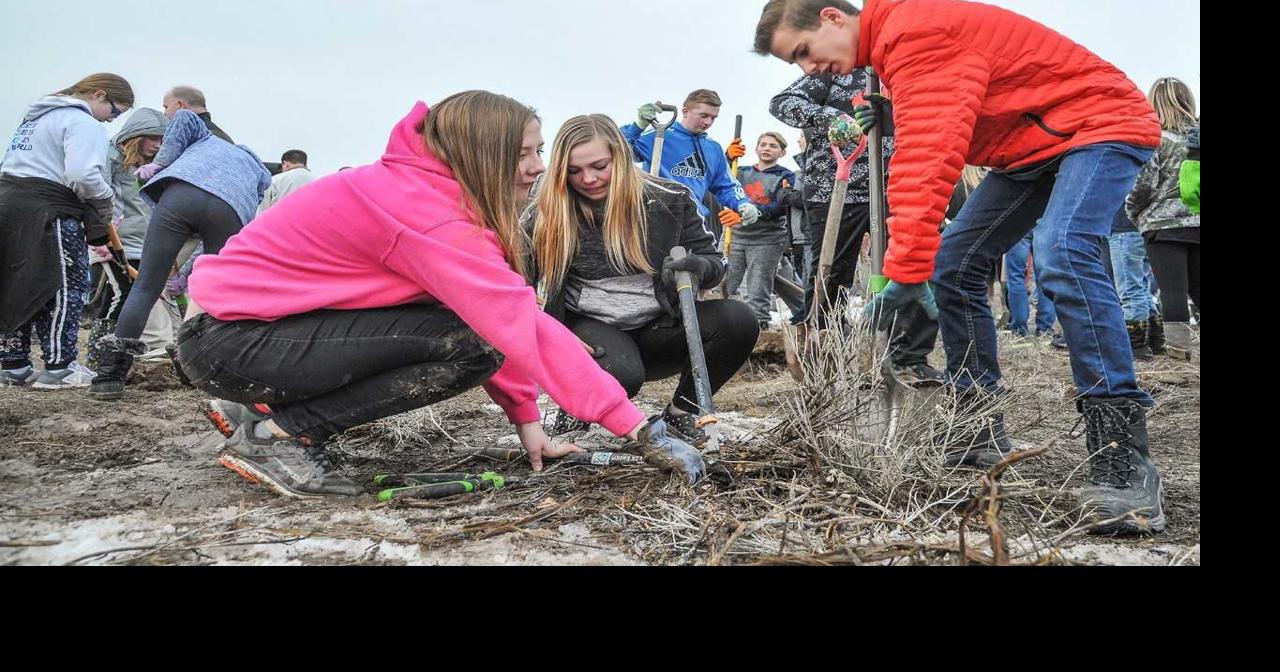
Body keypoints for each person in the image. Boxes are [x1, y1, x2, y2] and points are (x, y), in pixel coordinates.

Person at [756, 0, 1167, 535]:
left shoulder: (916, 30)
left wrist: (904, 268)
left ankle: (1121, 452)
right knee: (956, 266)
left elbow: (929, 155)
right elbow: (957, 108)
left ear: (833, 17)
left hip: (1097, 124)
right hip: (1028, 149)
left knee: (1064, 252)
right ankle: (976, 425)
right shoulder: (885, 55)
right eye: (797, 64)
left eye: (805, 52)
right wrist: (894, 113)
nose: (810, 69)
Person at [176, 92, 706, 498]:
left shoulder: (417, 190)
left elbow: (484, 310)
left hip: (241, 335)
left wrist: (528, 423)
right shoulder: (428, 216)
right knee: (472, 347)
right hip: (236, 343)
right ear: (481, 154)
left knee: (460, 330)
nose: (539, 167)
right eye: (523, 154)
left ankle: (262, 406)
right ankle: (279, 436)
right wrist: (640, 429)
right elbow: (516, 326)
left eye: (539, 150)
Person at [527, 114, 759, 445]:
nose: (588, 179)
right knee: (621, 376)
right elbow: (514, 275)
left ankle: (682, 412)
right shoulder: (548, 208)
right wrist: (542, 330)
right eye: (574, 171)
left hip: (659, 328)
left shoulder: (670, 198)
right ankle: (575, 409)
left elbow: (715, 261)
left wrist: (699, 268)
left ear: (620, 158)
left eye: (599, 166)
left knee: (739, 319)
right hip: (589, 331)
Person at [89, 108, 272, 399]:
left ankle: (110, 376)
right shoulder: (258, 174)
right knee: (212, 295)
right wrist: (188, 275)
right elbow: (228, 235)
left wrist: (160, 164)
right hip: (229, 210)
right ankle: (203, 371)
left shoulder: (205, 141)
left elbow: (185, 116)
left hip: (179, 197)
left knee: (146, 286)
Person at [1, 73, 133, 389]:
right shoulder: (81, 121)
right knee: (65, 285)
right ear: (99, 95)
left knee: (14, 280)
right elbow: (83, 175)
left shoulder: (34, 119)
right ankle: (60, 367)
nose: (110, 121)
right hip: (49, 209)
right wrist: (105, 201)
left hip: (8, 203)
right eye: (114, 112)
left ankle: (13, 364)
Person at [1127, 77, 1199, 362]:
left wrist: (1134, 212)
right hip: (1197, 224)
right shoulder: (1197, 138)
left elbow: (1143, 186)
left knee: (1173, 292)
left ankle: (1179, 355)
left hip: (1163, 227)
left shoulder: (1157, 140)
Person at [622, 89, 761, 235]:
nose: (708, 122)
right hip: (655, 218)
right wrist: (637, 126)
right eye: (704, 115)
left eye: (713, 118)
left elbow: (726, 186)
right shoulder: (658, 136)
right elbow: (617, 151)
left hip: (694, 221)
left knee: (706, 258)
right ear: (685, 111)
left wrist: (743, 203)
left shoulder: (713, 149)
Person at [726, 132, 799, 328]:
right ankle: (724, 320)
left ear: (782, 152)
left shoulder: (785, 176)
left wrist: (757, 212)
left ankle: (759, 324)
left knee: (758, 284)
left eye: (773, 146)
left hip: (767, 239)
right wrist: (727, 157)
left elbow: (782, 205)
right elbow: (720, 179)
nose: (767, 148)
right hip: (736, 236)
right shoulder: (740, 171)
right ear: (756, 148)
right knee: (727, 281)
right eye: (763, 144)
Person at [258, 149, 317, 214]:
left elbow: (262, 210)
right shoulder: (317, 181)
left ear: (285, 164)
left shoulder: (275, 180)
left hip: (281, 221)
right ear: (305, 164)